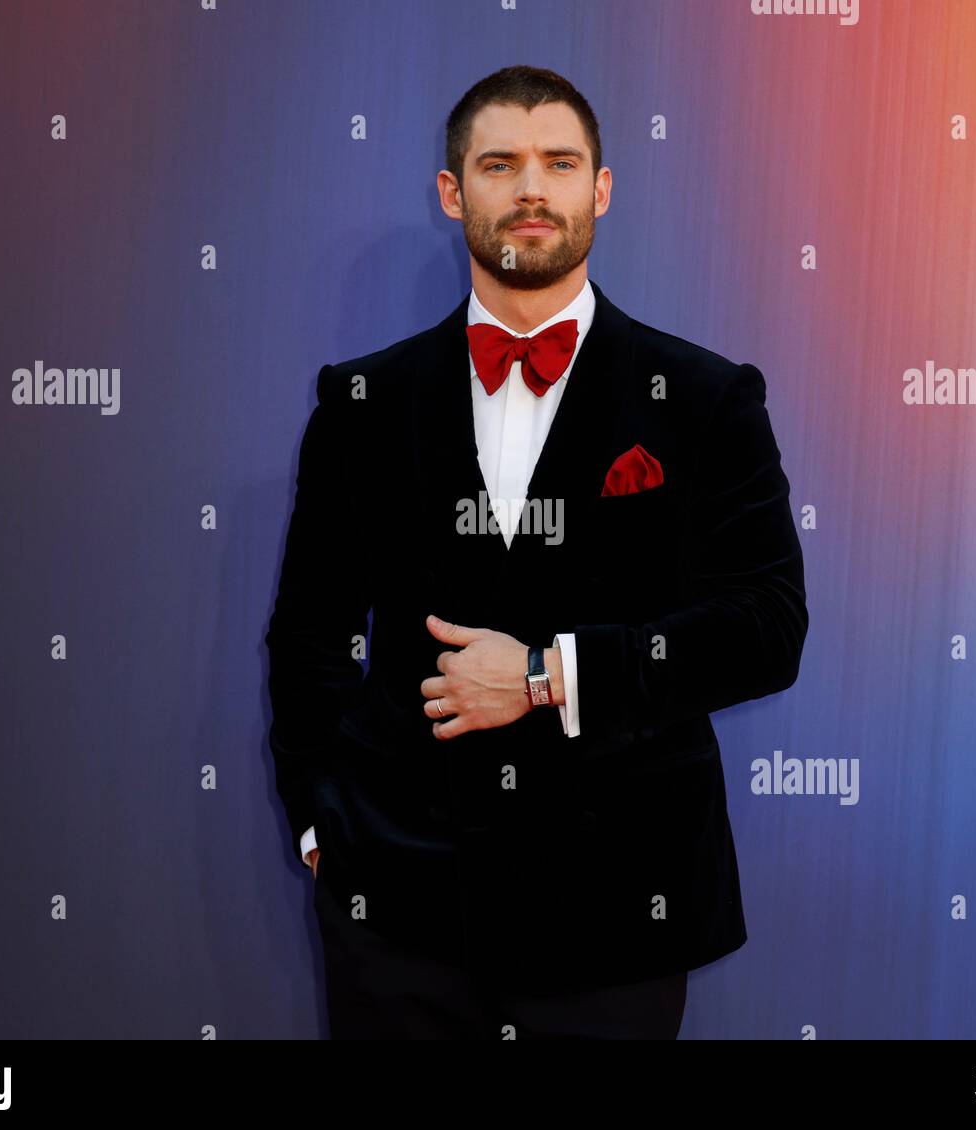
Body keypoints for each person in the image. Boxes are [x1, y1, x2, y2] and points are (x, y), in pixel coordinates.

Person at [265, 65, 807, 1039]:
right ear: (451, 192)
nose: (529, 189)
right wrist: (321, 827)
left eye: (558, 163)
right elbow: (309, 633)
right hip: (397, 915)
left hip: (616, 907)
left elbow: (765, 630)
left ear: (599, 188)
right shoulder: (362, 402)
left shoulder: (706, 398)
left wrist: (548, 674)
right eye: (499, 163)